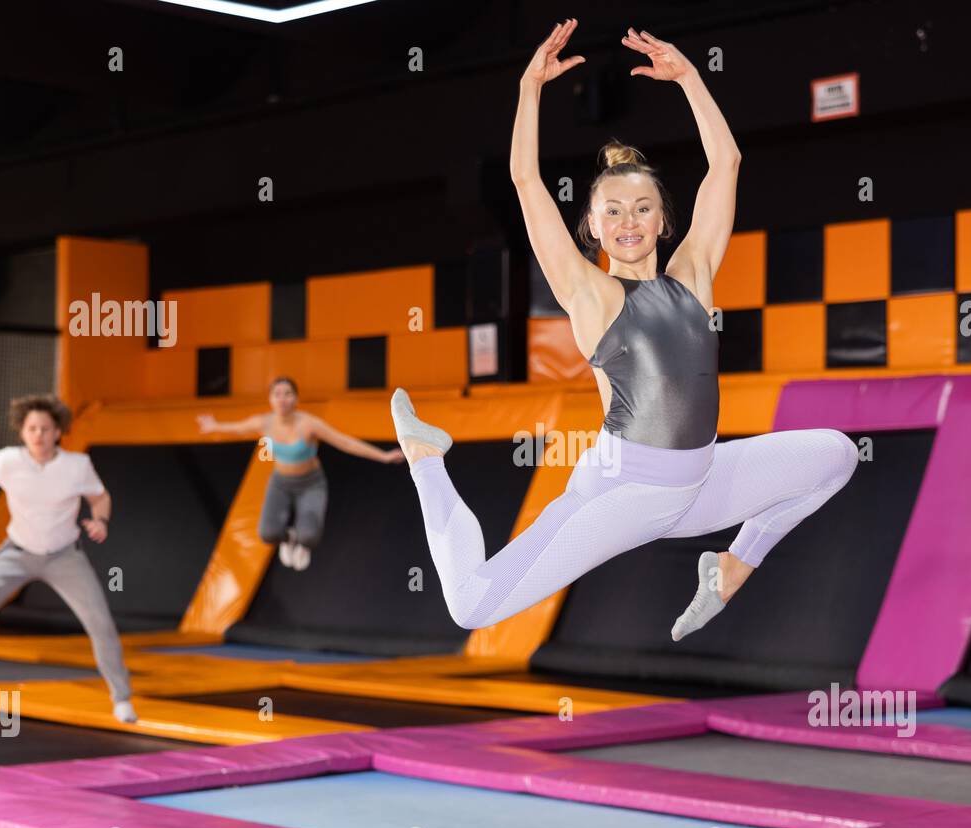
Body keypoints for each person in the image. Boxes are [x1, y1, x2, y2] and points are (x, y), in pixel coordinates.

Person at [389, 21, 858, 638]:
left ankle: (731, 569)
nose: (628, 221)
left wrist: (689, 77)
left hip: (701, 477)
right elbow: (526, 183)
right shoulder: (590, 293)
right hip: (627, 488)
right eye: (612, 211)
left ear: (664, 219)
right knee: (473, 606)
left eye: (642, 208)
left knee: (837, 456)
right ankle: (427, 459)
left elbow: (726, 163)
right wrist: (529, 89)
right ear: (591, 224)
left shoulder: (693, 275)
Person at [0, 395, 137, 722]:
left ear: (57, 432)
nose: (38, 434)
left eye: (45, 429)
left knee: (100, 623)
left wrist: (100, 520)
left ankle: (121, 698)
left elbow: (100, 496)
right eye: (32, 428)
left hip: (64, 557)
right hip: (16, 553)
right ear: (22, 431)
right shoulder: (7, 460)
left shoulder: (76, 466)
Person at [198, 376, 404, 570]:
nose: (282, 399)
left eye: (287, 393)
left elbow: (345, 442)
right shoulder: (265, 423)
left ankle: (301, 540)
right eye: (277, 394)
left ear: (295, 398)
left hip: (310, 483)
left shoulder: (308, 424)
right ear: (270, 399)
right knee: (268, 534)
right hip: (280, 483)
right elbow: (239, 428)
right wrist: (214, 425)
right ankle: (288, 538)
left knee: (309, 537)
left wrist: (383, 456)